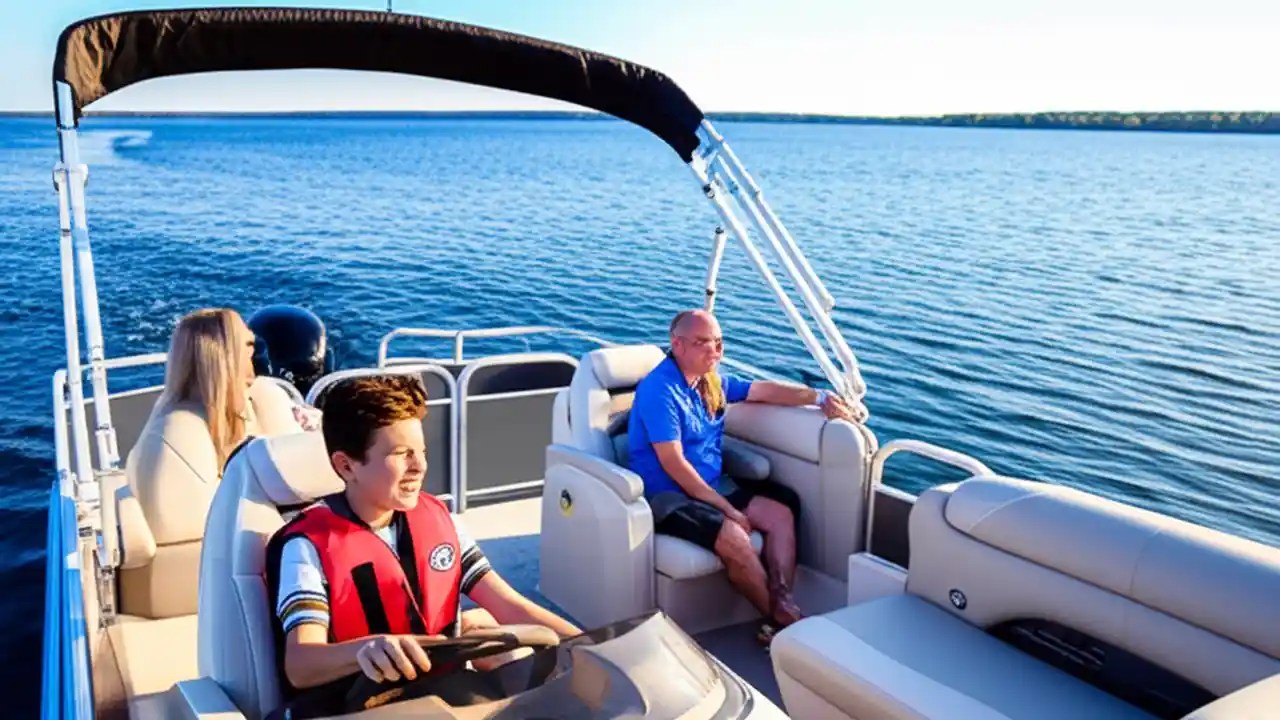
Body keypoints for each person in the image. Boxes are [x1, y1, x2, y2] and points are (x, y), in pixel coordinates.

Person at [265, 373, 580, 711]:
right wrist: (367, 649)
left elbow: (510, 606)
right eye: (402, 454)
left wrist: (594, 645)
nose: (420, 467)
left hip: (446, 694)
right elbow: (301, 665)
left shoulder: (439, 520)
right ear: (346, 466)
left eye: (422, 451)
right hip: (364, 705)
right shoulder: (308, 547)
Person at [627, 309, 857, 642]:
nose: (716, 352)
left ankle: (782, 600)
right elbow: (674, 464)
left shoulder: (709, 381)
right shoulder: (659, 391)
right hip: (668, 495)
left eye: (719, 343)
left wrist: (819, 398)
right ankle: (786, 628)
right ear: (677, 345)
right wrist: (728, 509)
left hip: (710, 485)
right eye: (704, 343)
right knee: (733, 535)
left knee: (781, 510)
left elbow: (760, 391)